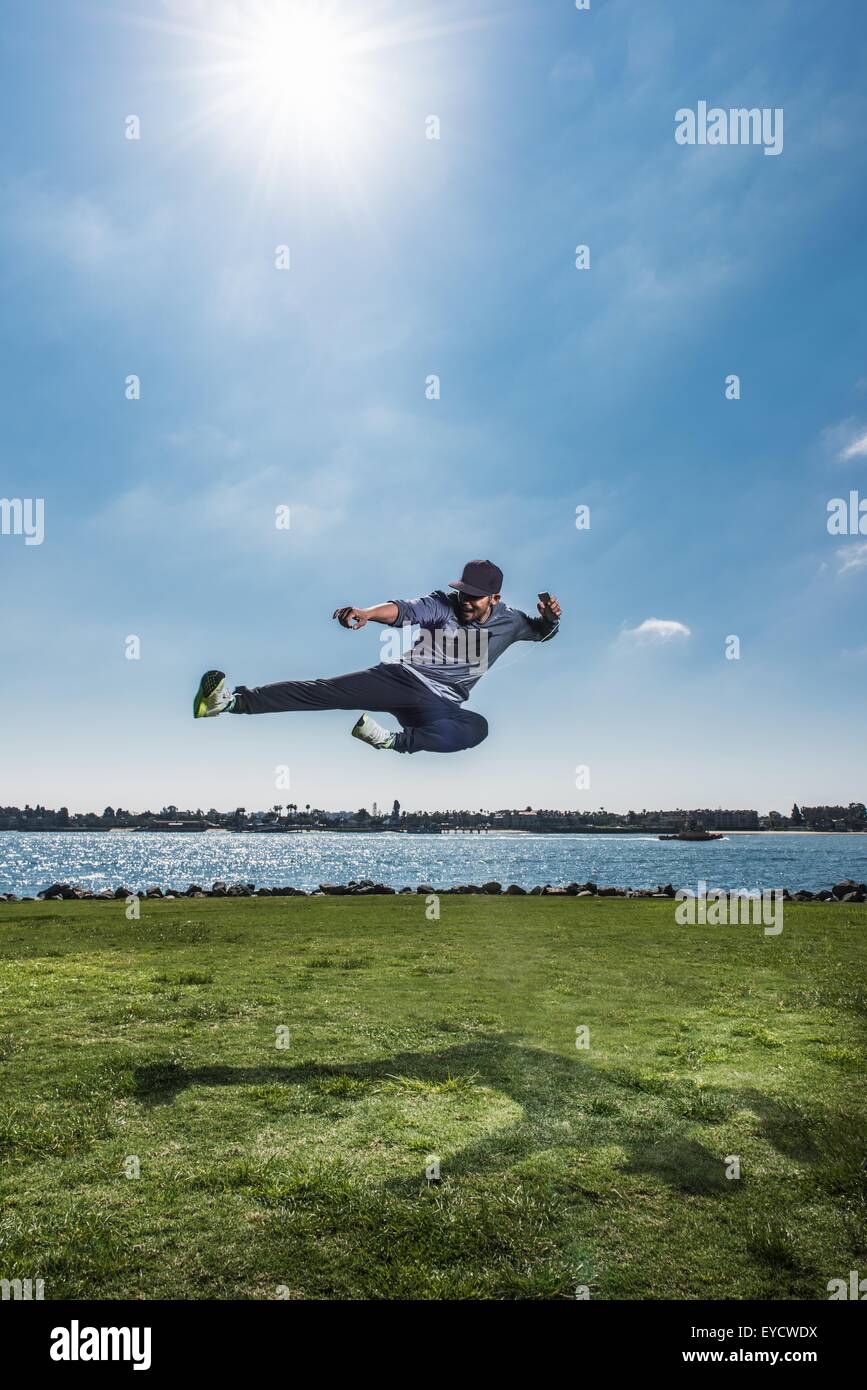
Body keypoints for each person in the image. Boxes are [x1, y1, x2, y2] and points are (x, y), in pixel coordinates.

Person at [192, 559, 560, 754]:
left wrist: (549, 619)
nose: (465, 603)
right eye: (463, 594)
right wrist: (367, 614)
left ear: (494, 599)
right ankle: (227, 703)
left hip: (442, 707)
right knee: (323, 692)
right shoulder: (444, 606)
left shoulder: (511, 621)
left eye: (475, 598)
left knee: (478, 728)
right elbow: (405, 610)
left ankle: (391, 741)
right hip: (404, 681)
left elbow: (542, 633)